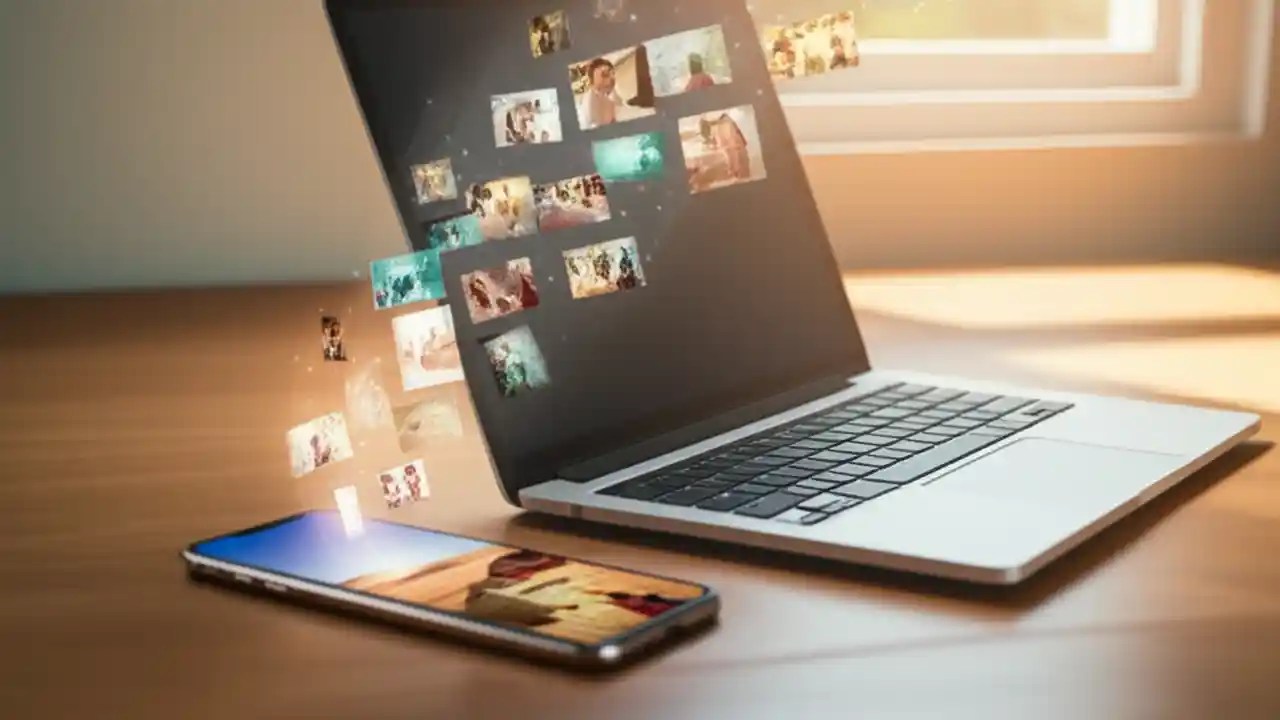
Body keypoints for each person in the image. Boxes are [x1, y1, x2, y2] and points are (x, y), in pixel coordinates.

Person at [577, 57, 624, 129]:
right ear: (591, 80)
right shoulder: (590, 102)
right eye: (605, 74)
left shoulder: (610, 94)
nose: (612, 78)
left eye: (613, 74)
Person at [714, 113, 751, 181]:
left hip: (733, 146)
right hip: (733, 146)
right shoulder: (726, 124)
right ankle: (737, 174)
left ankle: (737, 174)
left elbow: (736, 133)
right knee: (736, 161)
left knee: (736, 161)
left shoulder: (722, 126)